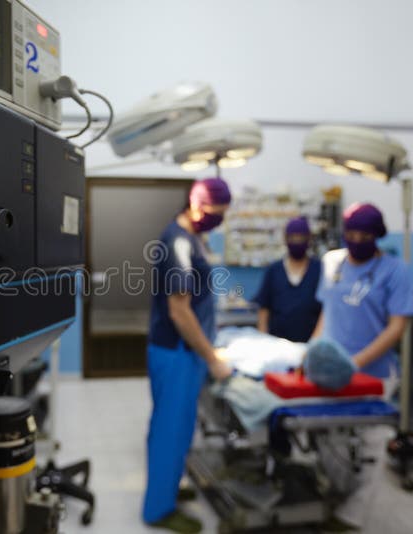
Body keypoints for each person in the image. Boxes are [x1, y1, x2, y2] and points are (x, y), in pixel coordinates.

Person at [143, 178, 233, 533]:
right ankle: (158, 511)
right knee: (170, 430)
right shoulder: (178, 243)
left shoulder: (190, 238)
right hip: (177, 352)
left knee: (175, 428)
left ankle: (166, 489)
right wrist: (212, 357)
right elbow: (180, 312)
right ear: (196, 207)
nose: (218, 220)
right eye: (216, 214)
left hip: (181, 351)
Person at [311, 202, 413, 379]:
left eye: (365, 236)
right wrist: (311, 351)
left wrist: (354, 363)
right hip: (328, 369)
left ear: (377, 235)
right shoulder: (332, 262)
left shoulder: (395, 270)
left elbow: (397, 327)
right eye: (351, 235)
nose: (357, 241)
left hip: (373, 372)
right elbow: (327, 313)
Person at [253, 216, 322, 342]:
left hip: (310, 346)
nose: (297, 241)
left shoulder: (319, 270)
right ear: (285, 239)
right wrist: (262, 340)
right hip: (277, 346)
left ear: (309, 239)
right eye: (293, 238)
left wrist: (315, 344)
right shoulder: (274, 271)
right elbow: (263, 309)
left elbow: (326, 311)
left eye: (301, 238)